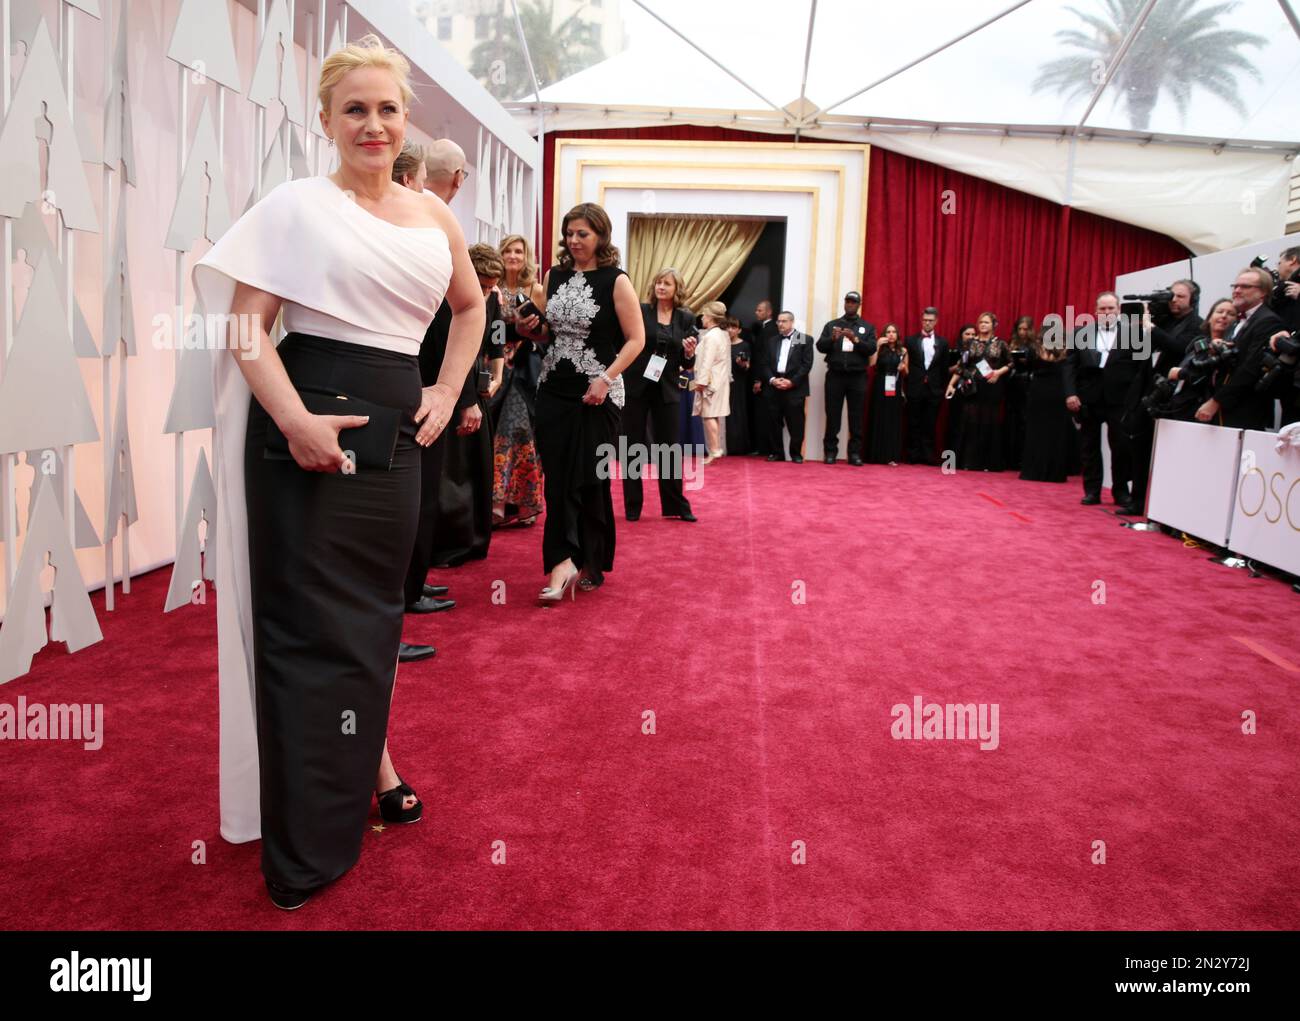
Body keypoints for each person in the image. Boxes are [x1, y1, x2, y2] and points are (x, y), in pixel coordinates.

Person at [196, 34, 484, 909]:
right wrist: (293, 423)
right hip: (306, 430)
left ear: (406, 123)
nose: (372, 123)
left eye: (387, 108)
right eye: (354, 109)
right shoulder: (295, 206)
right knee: (303, 635)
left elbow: (469, 309)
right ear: (325, 120)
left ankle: (375, 767)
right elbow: (249, 329)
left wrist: (445, 384)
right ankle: (302, 849)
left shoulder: (434, 215)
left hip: (398, 439)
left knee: (371, 623)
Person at [521, 202, 645, 601]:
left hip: (599, 393)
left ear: (601, 237)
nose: (574, 241)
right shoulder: (553, 276)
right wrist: (531, 330)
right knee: (557, 480)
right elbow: (548, 337)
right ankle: (561, 562)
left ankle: (591, 559)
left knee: (590, 479)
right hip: (554, 388)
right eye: (569, 234)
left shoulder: (616, 280)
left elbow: (636, 340)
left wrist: (606, 379)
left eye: (582, 234)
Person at [400, 138, 469, 624]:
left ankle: (413, 581)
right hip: (414, 385)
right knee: (413, 497)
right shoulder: (429, 225)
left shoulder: (437, 226)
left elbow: (465, 315)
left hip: (427, 384)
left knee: (421, 496)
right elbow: (449, 323)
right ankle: (405, 591)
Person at [430, 243, 505, 566]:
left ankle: (472, 539)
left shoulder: (491, 301)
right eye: (483, 285)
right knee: (453, 471)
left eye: (491, 286)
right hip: (453, 389)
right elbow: (443, 352)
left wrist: (498, 375)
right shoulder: (447, 301)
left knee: (478, 468)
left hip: (478, 387)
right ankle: (449, 545)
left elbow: (497, 339)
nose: (487, 292)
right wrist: (465, 401)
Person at [622, 268, 698, 523]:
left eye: (667, 283)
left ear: (677, 289)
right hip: (637, 385)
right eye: (658, 282)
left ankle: (676, 504)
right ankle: (633, 505)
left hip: (667, 387)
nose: (661, 287)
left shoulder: (686, 318)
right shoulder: (642, 311)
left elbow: (688, 363)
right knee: (632, 446)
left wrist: (689, 353)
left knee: (669, 448)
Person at [1063, 292, 1143, 509]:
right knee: (1089, 446)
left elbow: (1140, 369)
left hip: (1120, 400)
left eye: (1111, 309)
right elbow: (1069, 365)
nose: (1107, 313)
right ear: (1096, 311)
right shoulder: (1080, 332)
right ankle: (1092, 491)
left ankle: (1120, 492)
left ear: (1118, 311)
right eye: (1102, 309)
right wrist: (1071, 393)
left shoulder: (1133, 334)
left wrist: (1135, 400)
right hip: (1088, 399)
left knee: (1121, 447)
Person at [492, 233, 545, 527]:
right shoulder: (492, 288)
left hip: (524, 371)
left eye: (518, 252)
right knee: (494, 432)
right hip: (494, 366)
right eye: (508, 251)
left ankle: (512, 503)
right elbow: (489, 331)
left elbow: (543, 332)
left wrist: (525, 335)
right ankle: (500, 501)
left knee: (516, 429)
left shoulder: (535, 289)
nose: (513, 256)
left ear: (526, 257)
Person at [1195, 268, 1286, 430]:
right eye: (1235, 286)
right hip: (1228, 405)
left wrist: (1217, 402)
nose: (1237, 290)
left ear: (1262, 292)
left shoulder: (1268, 321)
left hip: (1244, 408)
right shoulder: (1241, 321)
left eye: (1245, 286)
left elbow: (1250, 369)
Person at [816, 290, 876, 464]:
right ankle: (830, 452)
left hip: (857, 377)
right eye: (848, 301)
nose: (850, 304)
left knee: (856, 416)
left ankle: (854, 454)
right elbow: (820, 346)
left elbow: (871, 349)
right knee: (832, 414)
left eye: (853, 302)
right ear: (844, 303)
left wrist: (855, 339)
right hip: (835, 376)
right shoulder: (832, 325)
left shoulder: (867, 327)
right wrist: (832, 339)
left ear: (859, 305)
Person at [955, 312, 1010, 472]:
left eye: (986, 322)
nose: (983, 325)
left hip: (992, 386)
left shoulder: (1000, 344)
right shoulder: (970, 343)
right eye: (981, 322)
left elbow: (1011, 363)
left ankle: (988, 462)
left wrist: (998, 372)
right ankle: (969, 461)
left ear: (994, 324)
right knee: (970, 420)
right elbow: (962, 365)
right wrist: (952, 384)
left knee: (989, 421)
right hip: (973, 386)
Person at [756, 311, 814, 462]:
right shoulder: (772, 340)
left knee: (796, 423)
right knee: (773, 422)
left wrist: (792, 382)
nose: (780, 324)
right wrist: (773, 379)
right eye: (778, 321)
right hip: (774, 387)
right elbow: (765, 364)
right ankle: (777, 453)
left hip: (794, 388)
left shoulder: (802, 338)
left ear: (792, 322)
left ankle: (796, 454)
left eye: (784, 321)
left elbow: (806, 365)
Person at [1018, 329, 1074, 483]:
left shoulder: (1034, 350)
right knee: (1056, 433)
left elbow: (1028, 366)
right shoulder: (1066, 350)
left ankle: (1032, 471)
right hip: (1057, 392)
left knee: (1036, 431)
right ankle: (1055, 472)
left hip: (1040, 391)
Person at [903, 307, 948, 465]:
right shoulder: (910, 340)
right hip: (915, 387)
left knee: (930, 423)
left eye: (930, 320)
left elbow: (944, 368)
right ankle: (913, 455)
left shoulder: (943, 343)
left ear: (936, 322)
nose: (927, 323)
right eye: (925, 320)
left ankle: (928, 455)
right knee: (913, 422)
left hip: (934, 389)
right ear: (921, 321)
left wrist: (941, 388)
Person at [691, 301, 731, 463]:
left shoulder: (711, 337)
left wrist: (700, 382)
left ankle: (714, 450)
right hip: (719, 379)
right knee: (712, 415)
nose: (702, 318)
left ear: (710, 317)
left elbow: (707, 361)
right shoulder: (722, 334)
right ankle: (715, 448)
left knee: (708, 415)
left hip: (710, 381)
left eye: (704, 315)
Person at [866, 323, 907, 465]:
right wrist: (877, 346)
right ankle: (875, 455)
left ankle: (891, 456)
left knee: (892, 419)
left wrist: (903, 368)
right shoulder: (880, 349)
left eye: (894, 332)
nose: (891, 334)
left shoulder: (903, 351)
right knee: (879, 417)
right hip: (880, 385)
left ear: (897, 335)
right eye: (888, 332)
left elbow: (907, 372)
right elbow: (871, 364)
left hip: (894, 386)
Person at [1003, 316, 1035, 471]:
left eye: (1025, 329)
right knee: (1011, 420)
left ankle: (1023, 458)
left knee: (1024, 421)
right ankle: (1010, 457)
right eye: (1020, 329)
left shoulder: (1034, 345)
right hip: (1012, 384)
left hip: (1027, 385)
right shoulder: (1011, 343)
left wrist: (1027, 361)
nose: (1022, 332)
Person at [748, 299, 778, 455]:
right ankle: (762, 447)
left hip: (765, 378)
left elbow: (764, 357)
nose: (756, 312)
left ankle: (764, 448)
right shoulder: (764, 328)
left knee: (763, 414)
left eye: (760, 310)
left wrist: (759, 379)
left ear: (769, 312)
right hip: (762, 376)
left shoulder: (770, 329)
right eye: (756, 310)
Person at [945, 324, 977, 458]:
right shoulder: (954, 352)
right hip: (957, 389)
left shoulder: (978, 351)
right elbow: (946, 370)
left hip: (975, 390)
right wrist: (958, 366)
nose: (970, 337)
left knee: (972, 424)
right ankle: (953, 457)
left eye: (972, 334)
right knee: (956, 423)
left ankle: (969, 457)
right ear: (961, 336)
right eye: (967, 334)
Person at [724, 317, 751, 455]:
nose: (730, 330)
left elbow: (747, 366)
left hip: (738, 382)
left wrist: (742, 364)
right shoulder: (722, 343)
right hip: (722, 382)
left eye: (734, 327)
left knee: (737, 413)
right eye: (728, 327)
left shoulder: (744, 345)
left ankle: (737, 447)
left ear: (739, 330)